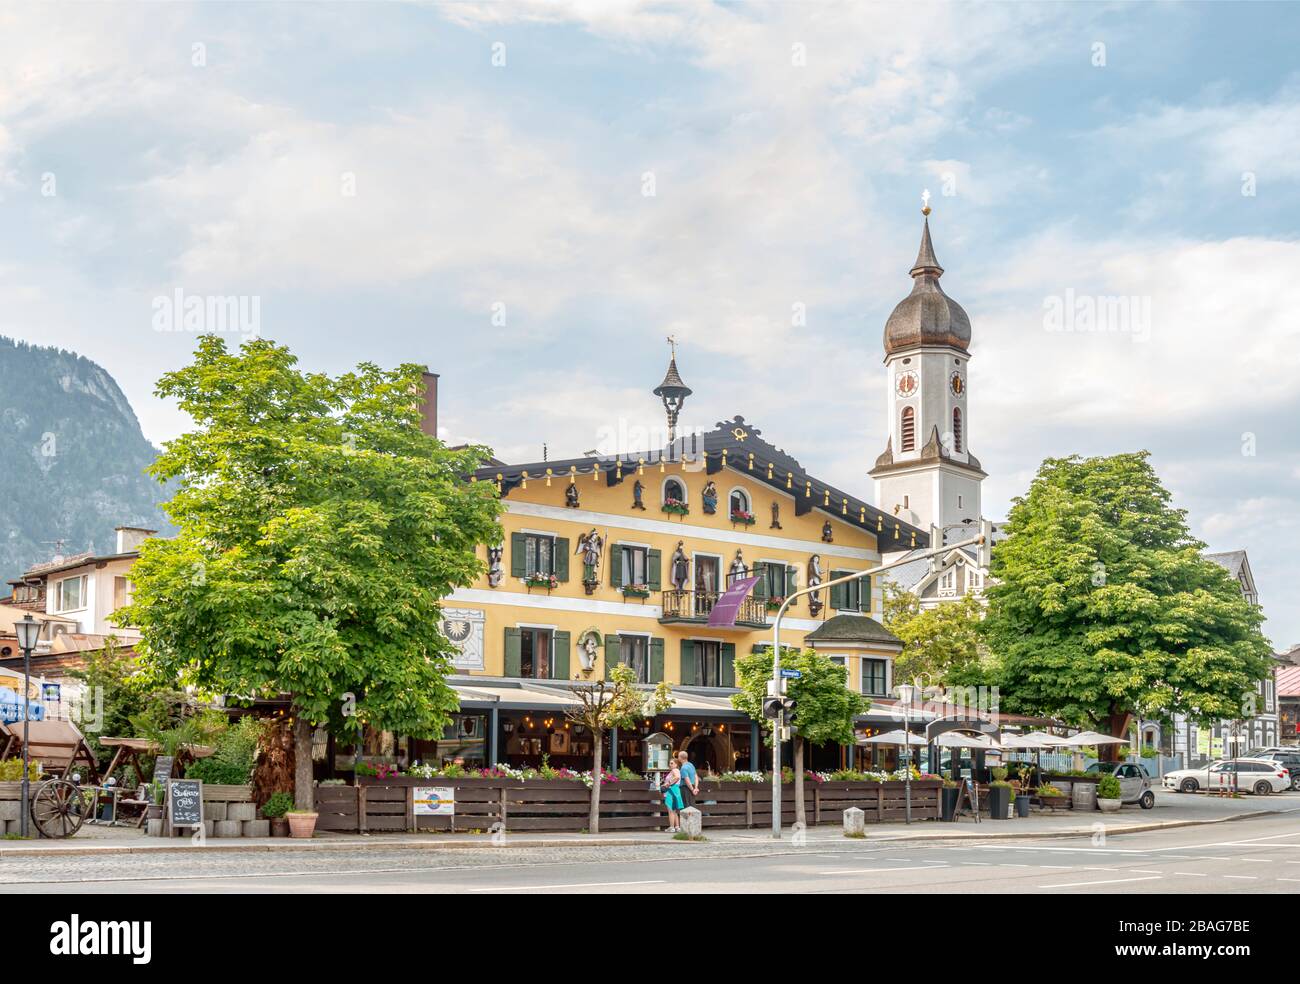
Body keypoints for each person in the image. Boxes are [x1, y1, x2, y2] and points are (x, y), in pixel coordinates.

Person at [661, 759, 684, 832]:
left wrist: (668, 783)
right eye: (669, 763)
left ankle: (671, 827)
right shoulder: (676, 770)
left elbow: (677, 777)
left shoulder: (675, 770)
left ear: (676, 764)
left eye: (672, 763)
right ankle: (677, 827)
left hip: (671, 790)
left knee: (670, 810)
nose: (670, 765)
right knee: (674, 811)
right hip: (676, 790)